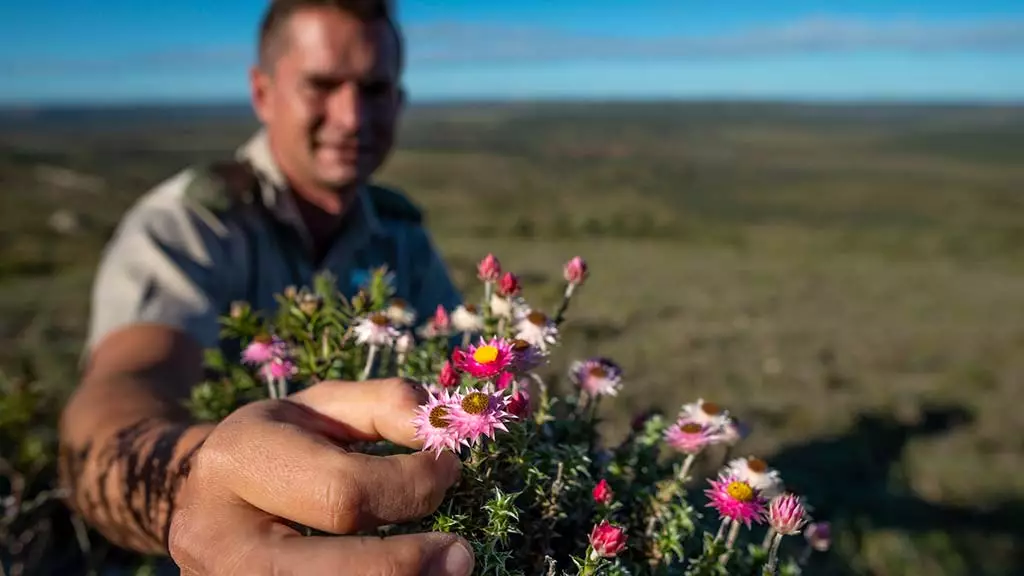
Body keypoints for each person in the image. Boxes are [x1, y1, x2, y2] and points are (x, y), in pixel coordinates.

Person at [56, 1, 474, 574]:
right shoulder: (189, 227)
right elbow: (114, 407)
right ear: (262, 93)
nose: (352, 117)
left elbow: (461, 378)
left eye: (375, 90)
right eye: (321, 85)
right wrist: (199, 480)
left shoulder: (402, 237)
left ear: (398, 103)